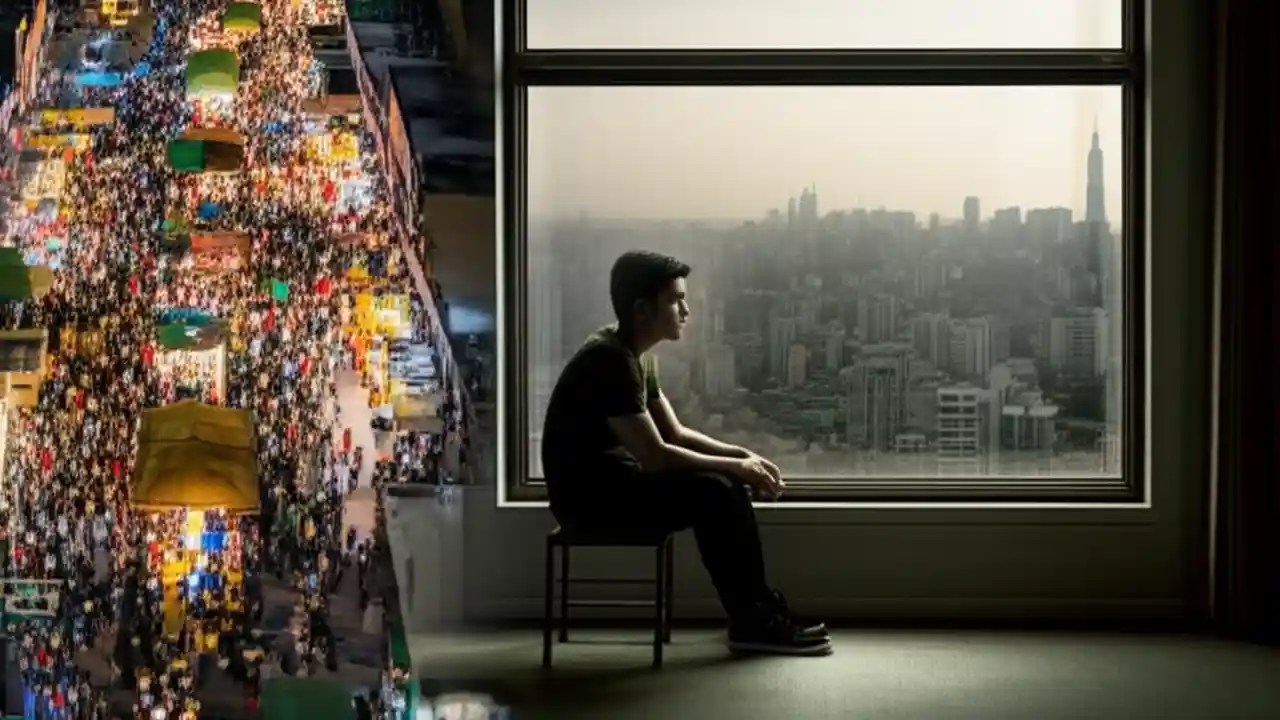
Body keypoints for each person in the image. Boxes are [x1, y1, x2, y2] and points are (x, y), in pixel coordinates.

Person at [540, 250, 831, 656]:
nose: (687, 310)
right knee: (714, 491)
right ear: (643, 309)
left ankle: (757, 609)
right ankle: (752, 619)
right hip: (588, 501)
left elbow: (674, 432)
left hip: (612, 483)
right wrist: (735, 467)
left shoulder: (634, 356)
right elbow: (656, 456)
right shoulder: (610, 362)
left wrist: (741, 456)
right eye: (676, 300)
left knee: (724, 482)